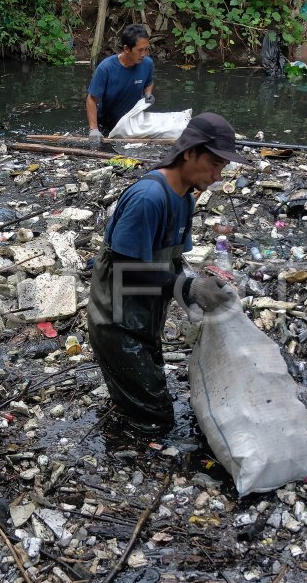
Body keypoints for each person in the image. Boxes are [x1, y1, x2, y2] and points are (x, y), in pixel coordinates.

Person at [87, 112, 246, 433]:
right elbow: (124, 270)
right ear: (189, 152)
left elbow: (172, 261)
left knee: (143, 393)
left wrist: (195, 294)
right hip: (116, 322)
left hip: (143, 318)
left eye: (222, 168)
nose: (217, 175)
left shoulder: (184, 199)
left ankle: (122, 403)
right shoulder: (150, 198)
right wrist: (188, 288)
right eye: (214, 164)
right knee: (154, 422)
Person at [86, 24, 155, 148]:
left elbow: (149, 82)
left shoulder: (147, 64)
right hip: (107, 124)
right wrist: (94, 129)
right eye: (140, 50)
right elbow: (91, 99)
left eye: (146, 49)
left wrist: (148, 93)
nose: (144, 54)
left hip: (132, 121)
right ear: (127, 49)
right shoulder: (106, 68)